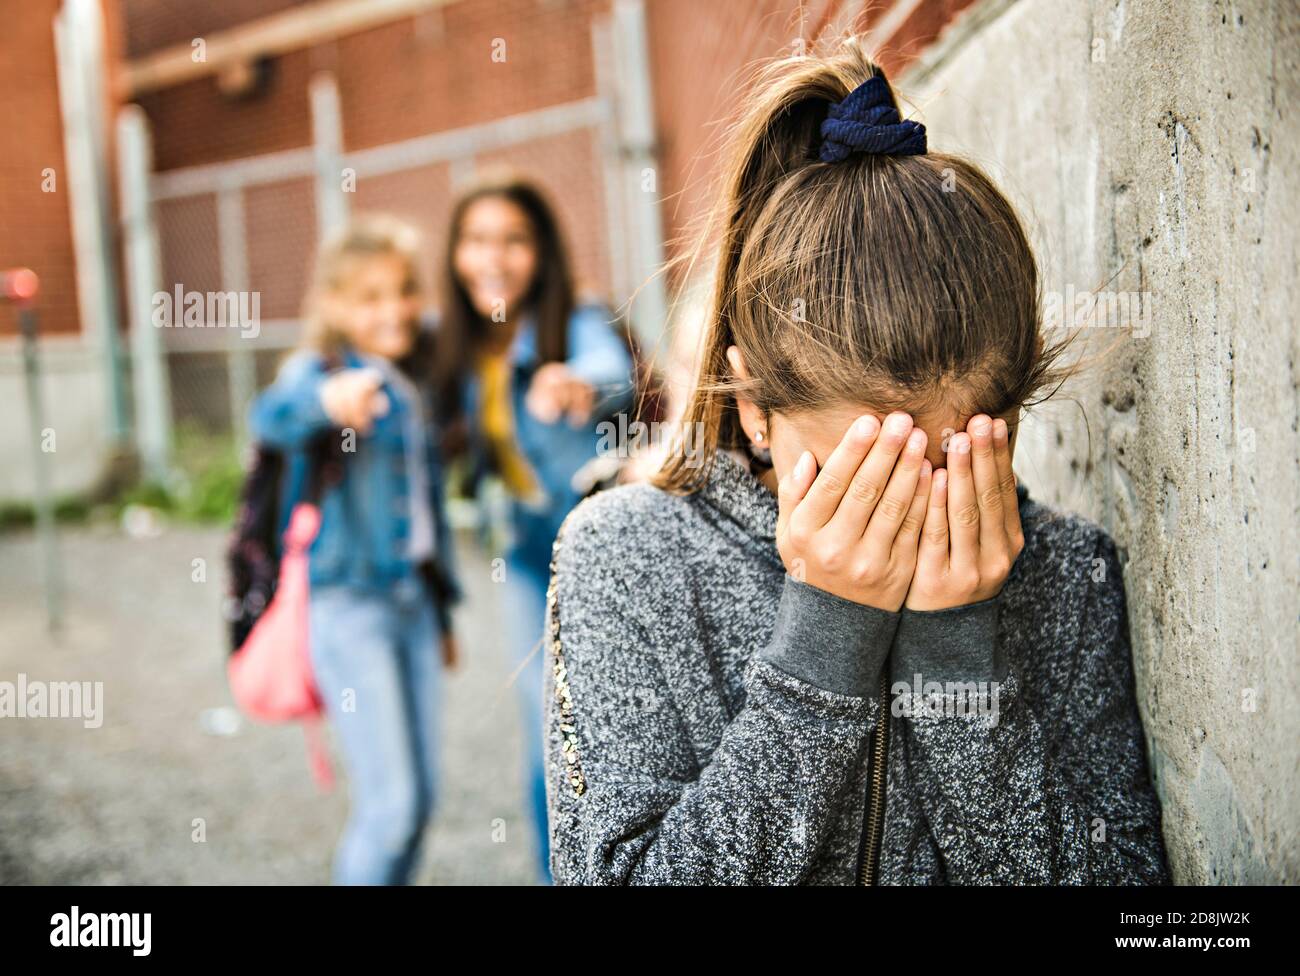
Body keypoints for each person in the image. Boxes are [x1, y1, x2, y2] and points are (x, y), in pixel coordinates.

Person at [543, 39, 1172, 885]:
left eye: (948, 464)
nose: (902, 516)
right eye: (858, 476)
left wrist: (957, 664)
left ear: (1011, 422)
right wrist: (824, 646)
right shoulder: (623, 558)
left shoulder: (1067, 573)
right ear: (756, 409)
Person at [249, 214, 461, 885]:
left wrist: (445, 611)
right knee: (391, 807)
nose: (394, 309)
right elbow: (272, 416)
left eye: (403, 290)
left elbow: (430, 512)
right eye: (369, 296)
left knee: (421, 801)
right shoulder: (321, 371)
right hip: (349, 605)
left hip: (415, 608)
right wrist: (328, 400)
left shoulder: (414, 378)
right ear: (335, 305)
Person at [436, 173, 633, 883]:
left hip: (600, 561)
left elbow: (610, 371)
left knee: (616, 730)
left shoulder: (572, 320)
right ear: (457, 254)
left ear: (541, 253)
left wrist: (574, 382)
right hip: (522, 561)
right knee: (543, 729)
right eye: (478, 239)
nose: (494, 256)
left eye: (514, 240)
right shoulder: (456, 344)